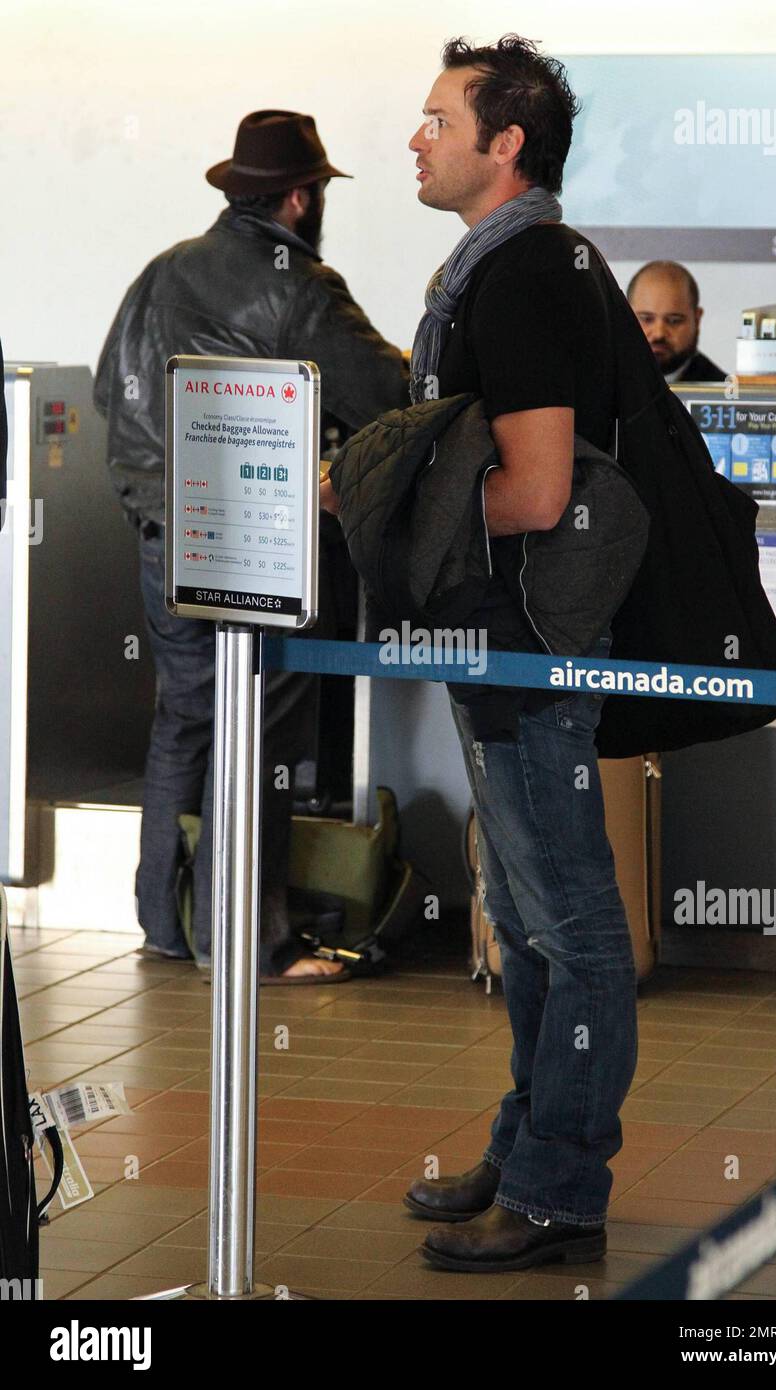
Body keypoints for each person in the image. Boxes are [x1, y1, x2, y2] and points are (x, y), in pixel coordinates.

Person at [326, 33, 640, 1272]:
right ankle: (526, 1149)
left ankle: (560, 1192)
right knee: (520, 911)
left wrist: (378, 505)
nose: (414, 137)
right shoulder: (492, 271)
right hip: (501, 644)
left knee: (571, 927)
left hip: (530, 648)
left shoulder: (520, 279)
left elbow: (539, 489)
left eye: (434, 119)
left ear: (503, 145)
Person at [96, 110, 408, 983]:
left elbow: (106, 389)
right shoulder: (299, 286)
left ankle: (166, 922)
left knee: (186, 720)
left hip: (168, 532)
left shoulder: (163, 273)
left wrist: (151, 505)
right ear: (301, 200)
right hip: (262, 543)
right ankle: (254, 942)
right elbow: (387, 391)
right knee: (262, 737)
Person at [627, 260, 726, 383]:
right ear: (625, 316)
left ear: (697, 319)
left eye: (674, 321)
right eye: (646, 319)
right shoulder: (603, 381)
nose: (659, 334)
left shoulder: (721, 393)